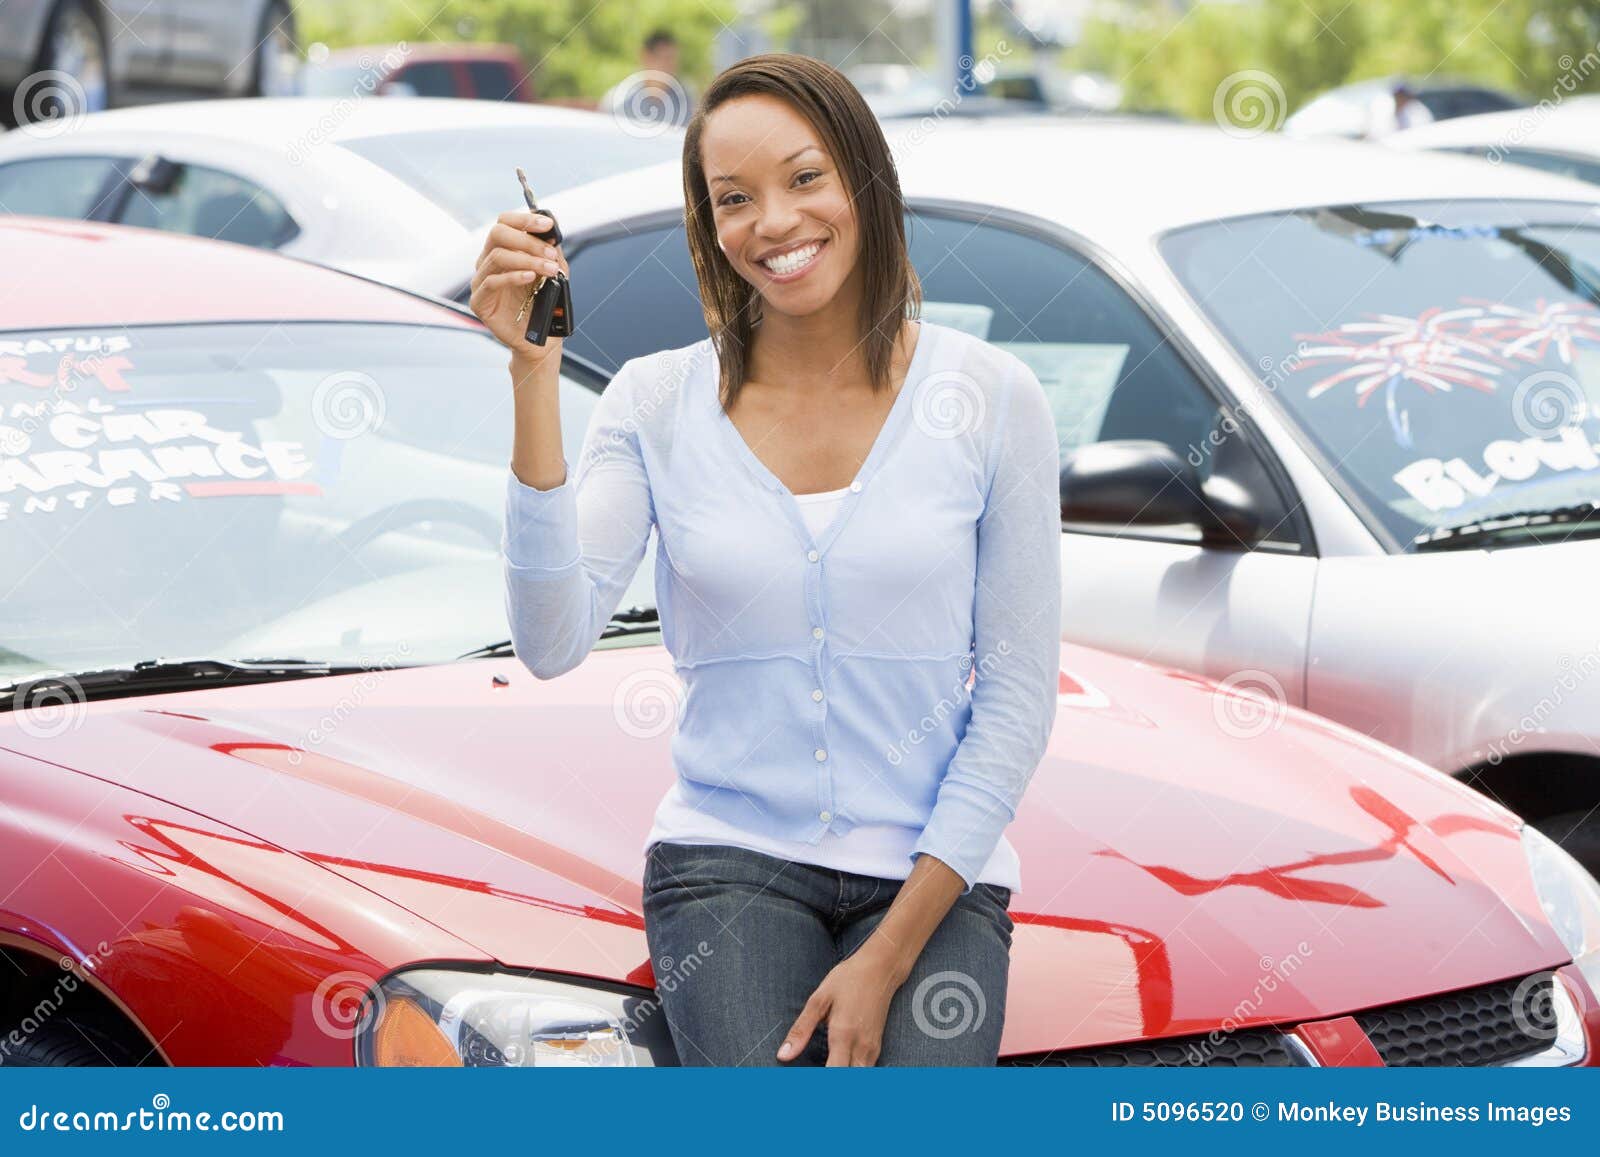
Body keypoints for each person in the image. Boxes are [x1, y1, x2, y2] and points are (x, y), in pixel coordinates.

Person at [469, 52, 1060, 1066]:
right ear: (708, 224)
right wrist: (533, 377)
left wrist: (886, 957)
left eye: (804, 178)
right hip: (728, 866)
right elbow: (552, 638)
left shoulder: (995, 399)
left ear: (862, 180)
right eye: (733, 198)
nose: (773, 223)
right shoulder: (654, 403)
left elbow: (1015, 698)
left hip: (933, 875)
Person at [598, 29, 695, 128]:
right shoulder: (618, 101)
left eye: (672, 59)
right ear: (646, 57)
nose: (669, 65)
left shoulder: (686, 101)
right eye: (663, 58)